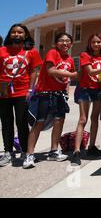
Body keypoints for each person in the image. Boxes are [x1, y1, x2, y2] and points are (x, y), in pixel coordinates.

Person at [23, 32, 78, 169]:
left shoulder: (70, 59)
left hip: (59, 95)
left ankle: (54, 151)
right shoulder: (52, 53)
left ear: (71, 44)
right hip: (44, 94)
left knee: (59, 121)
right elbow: (51, 71)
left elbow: (67, 79)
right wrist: (72, 74)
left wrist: (66, 90)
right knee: (38, 123)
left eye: (67, 41)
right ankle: (29, 154)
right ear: (56, 43)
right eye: (61, 40)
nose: (65, 43)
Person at [0, 24, 42, 167]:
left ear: (25, 35)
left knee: (22, 122)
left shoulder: (32, 52)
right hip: (4, 92)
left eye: (20, 32)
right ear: (9, 34)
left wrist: (31, 90)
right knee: (6, 123)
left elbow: (34, 71)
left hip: (23, 91)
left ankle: (25, 151)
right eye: (14, 32)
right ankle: (8, 152)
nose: (17, 34)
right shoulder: (2, 51)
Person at [70, 34, 101, 166]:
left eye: (99, 42)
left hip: (98, 90)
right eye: (93, 42)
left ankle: (91, 146)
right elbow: (91, 72)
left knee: (94, 118)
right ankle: (76, 151)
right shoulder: (84, 55)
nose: (96, 44)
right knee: (83, 119)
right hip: (85, 88)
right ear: (89, 43)